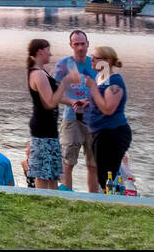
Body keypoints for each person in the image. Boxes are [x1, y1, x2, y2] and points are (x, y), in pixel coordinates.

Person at [27, 37, 78, 190]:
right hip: (42, 128)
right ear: (40, 51)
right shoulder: (38, 74)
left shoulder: (43, 73)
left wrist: (74, 102)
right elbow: (49, 102)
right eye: (48, 50)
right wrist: (66, 81)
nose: (50, 54)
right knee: (43, 173)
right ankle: (42, 203)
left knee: (52, 172)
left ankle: (54, 202)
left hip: (49, 127)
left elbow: (56, 96)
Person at [55, 30, 98, 192]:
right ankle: (68, 198)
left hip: (94, 120)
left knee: (94, 164)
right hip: (71, 119)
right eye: (76, 44)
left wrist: (88, 101)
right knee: (68, 162)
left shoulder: (99, 64)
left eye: (83, 44)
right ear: (71, 45)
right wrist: (72, 101)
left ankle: (94, 200)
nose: (80, 47)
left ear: (88, 44)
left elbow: (108, 90)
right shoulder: (62, 65)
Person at [82, 45, 130, 192]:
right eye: (92, 56)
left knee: (106, 175)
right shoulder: (101, 77)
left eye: (96, 57)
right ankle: (110, 199)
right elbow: (100, 100)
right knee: (103, 173)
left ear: (107, 61)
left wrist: (93, 88)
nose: (92, 60)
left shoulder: (115, 82)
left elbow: (108, 109)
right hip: (100, 132)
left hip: (113, 133)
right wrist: (86, 103)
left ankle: (113, 203)